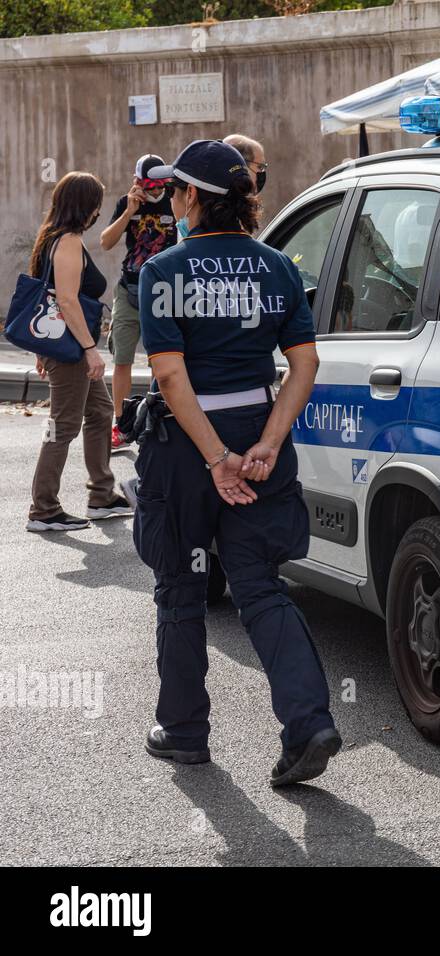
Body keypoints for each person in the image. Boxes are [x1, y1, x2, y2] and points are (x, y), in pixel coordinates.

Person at [135, 140, 340, 785]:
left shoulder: (163, 271)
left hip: (188, 447)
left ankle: (185, 730)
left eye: (175, 192)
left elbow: (169, 375)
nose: (173, 202)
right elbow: (304, 363)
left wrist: (215, 457)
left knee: (181, 582)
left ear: (192, 196)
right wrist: (267, 444)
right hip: (257, 434)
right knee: (258, 585)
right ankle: (308, 722)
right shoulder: (278, 266)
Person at [26, 172, 134, 532]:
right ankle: (43, 509)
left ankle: (101, 494)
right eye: (96, 204)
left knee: (101, 411)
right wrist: (91, 350)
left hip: (63, 346)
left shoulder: (50, 238)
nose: (98, 211)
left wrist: (42, 350)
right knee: (63, 425)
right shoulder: (68, 241)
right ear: (84, 206)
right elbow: (68, 301)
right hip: (72, 348)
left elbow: (47, 297)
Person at [99, 154, 178, 449]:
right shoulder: (128, 203)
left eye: (161, 186)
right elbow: (106, 242)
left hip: (163, 291)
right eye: (151, 186)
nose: (157, 191)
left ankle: (163, 416)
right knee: (122, 359)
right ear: (138, 183)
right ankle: (121, 422)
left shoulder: (174, 199)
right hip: (129, 288)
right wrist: (128, 210)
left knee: (162, 360)